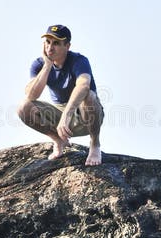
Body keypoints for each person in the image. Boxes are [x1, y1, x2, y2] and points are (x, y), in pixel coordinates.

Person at [18, 24, 104, 166]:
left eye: (56, 43)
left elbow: (83, 85)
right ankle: (58, 139)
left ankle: (95, 144)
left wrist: (67, 114)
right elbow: (31, 95)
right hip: (59, 115)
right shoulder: (39, 64)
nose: (50, 47)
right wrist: (47, 65)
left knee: (89, 96)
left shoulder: (79, 60)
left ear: (67, 46)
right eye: (47, 42)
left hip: (85, 115)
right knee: (23, 107)